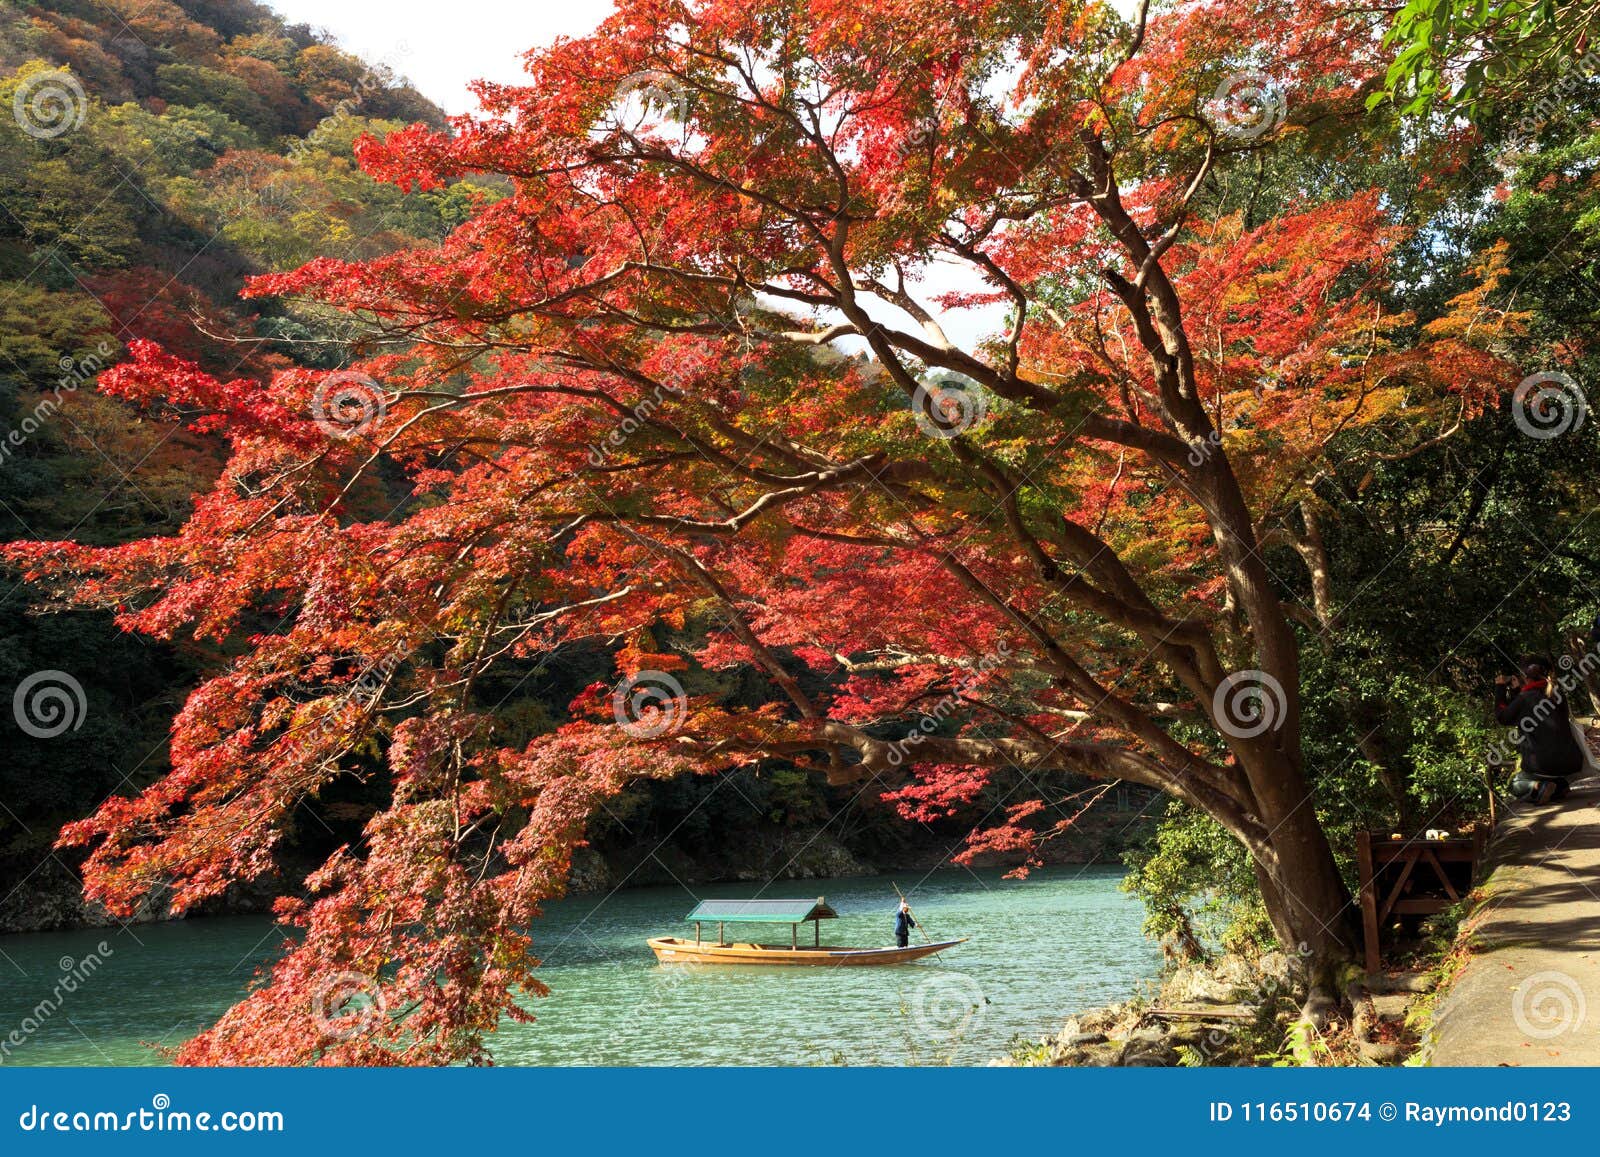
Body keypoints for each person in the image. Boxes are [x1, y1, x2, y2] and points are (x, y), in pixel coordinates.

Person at [1494, 656, 1584, 803]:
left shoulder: (1525, 698)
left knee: (1515, 784)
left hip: (1544, 764)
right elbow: (1531, 712)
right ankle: (1560, 787)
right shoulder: (1557, 694)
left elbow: (1502, 717)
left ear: (1525, 677)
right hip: (1570, 762)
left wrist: (1500, 687)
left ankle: (1541, 787)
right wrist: (1518, 691)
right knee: (1550, 772)